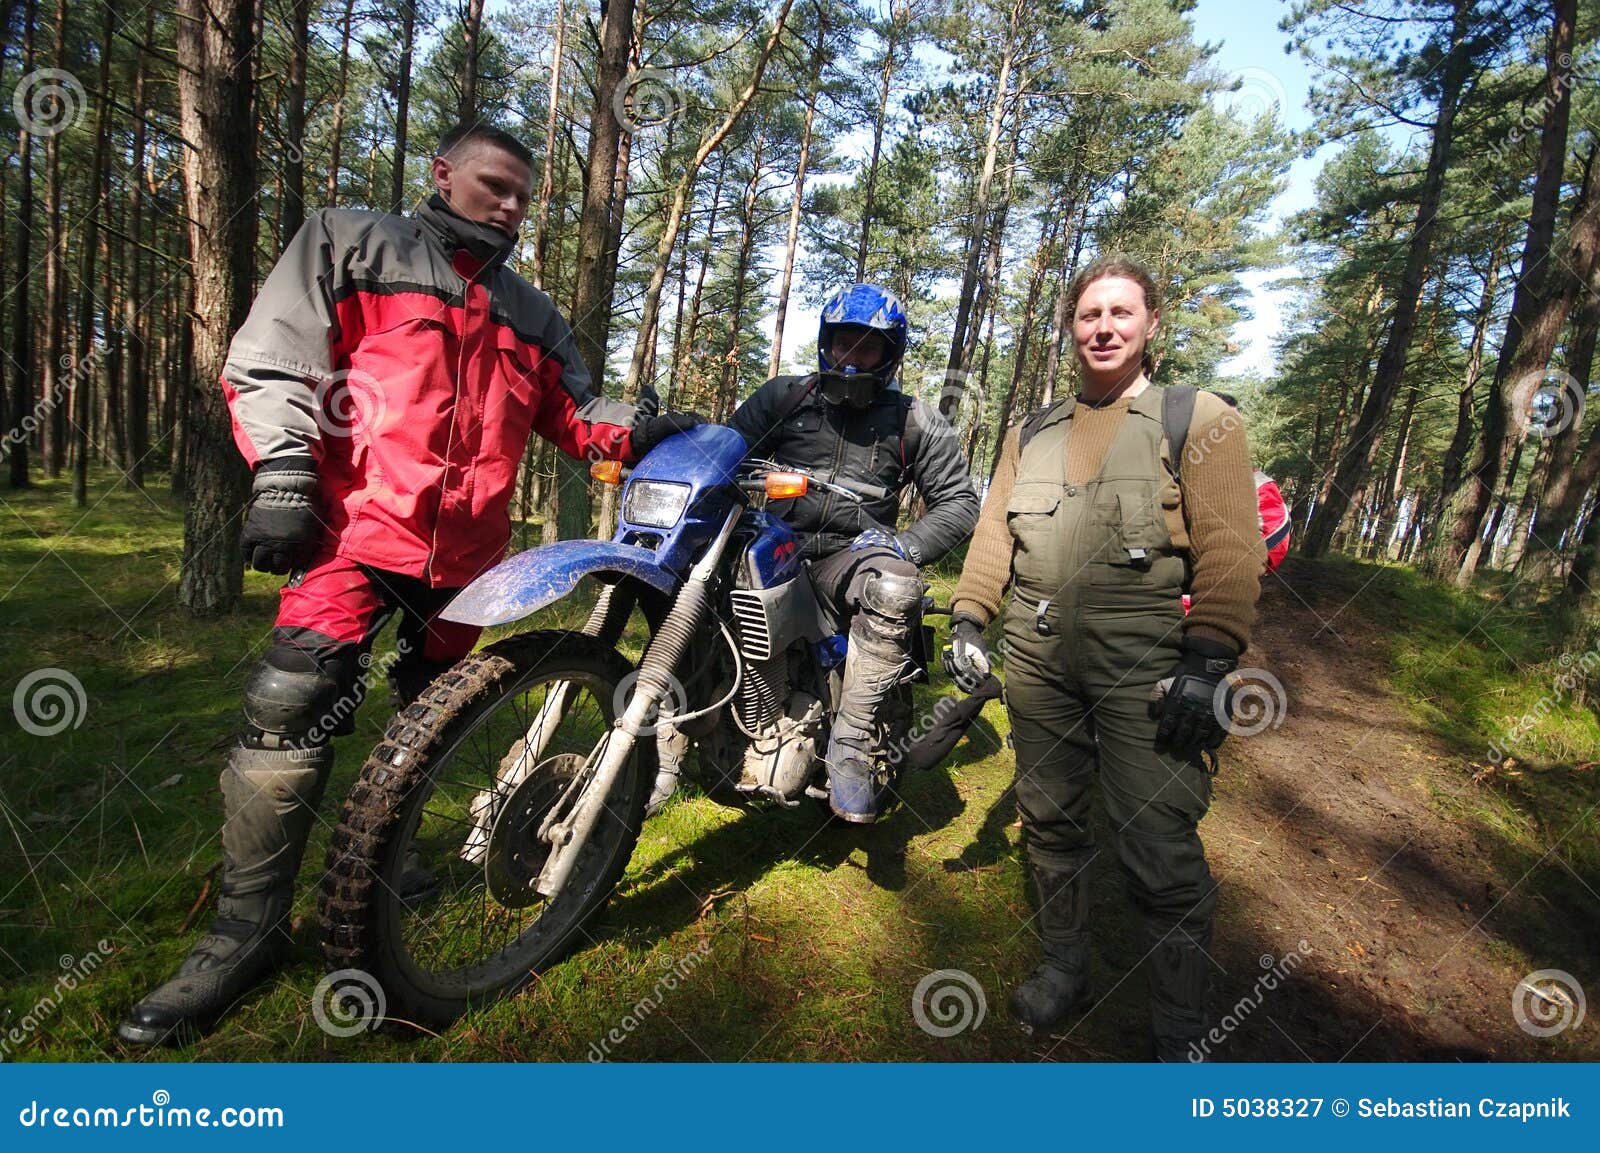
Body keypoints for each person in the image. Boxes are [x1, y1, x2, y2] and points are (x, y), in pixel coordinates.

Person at [118, 123, 700, 1046]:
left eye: (521, 195)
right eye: (492, 184)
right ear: (443, 174)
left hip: (471, 562)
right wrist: (280, 470)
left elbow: (575, 414)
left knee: (434, 707)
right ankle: (244, 934)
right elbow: (277, 355)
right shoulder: (353, 242)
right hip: (356, 531)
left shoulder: (532, 312)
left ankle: (385, 866)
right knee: (290, 701)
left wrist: (650, 427)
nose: (507, 205)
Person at [943, 255, 1263, 1060]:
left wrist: (1209, 659)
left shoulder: (1203, 418)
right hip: (1039, 658)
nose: (1105, 327)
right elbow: (994, 533)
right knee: (1048, 820)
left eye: (1122, 312)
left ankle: (1183, 1029)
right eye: (1089, 314)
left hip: (1149, 659)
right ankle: (1063, 966)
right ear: (1070, 328)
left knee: (1157, 840)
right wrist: (972, 618)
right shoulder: (1031, 431)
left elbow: (1231, 545)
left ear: (1152, 324)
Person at [728, 284, 980, 823]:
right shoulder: (784, 397)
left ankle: (850, 747)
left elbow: (960, 502)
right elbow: (724, 449)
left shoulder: (913, 420)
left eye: (868, 347)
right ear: (827, 342)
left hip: (853, 555)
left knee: (894, 585)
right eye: (846, 341)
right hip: (774, 541)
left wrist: (904, 543)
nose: (853, 356)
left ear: (890, 355)